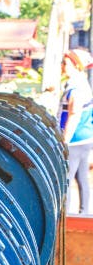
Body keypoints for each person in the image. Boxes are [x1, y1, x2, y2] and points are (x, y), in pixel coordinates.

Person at [59, 48, 93, 214]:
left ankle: (66, 215)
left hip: (75, 140)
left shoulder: (76, 88)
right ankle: (84, 212)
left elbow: (74, 115)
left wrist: (64, 141)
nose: (63, 66)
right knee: (82, 178)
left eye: (65, 63)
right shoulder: (81, 84)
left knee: (67, 178)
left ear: (75, 65)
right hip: (84, 138)